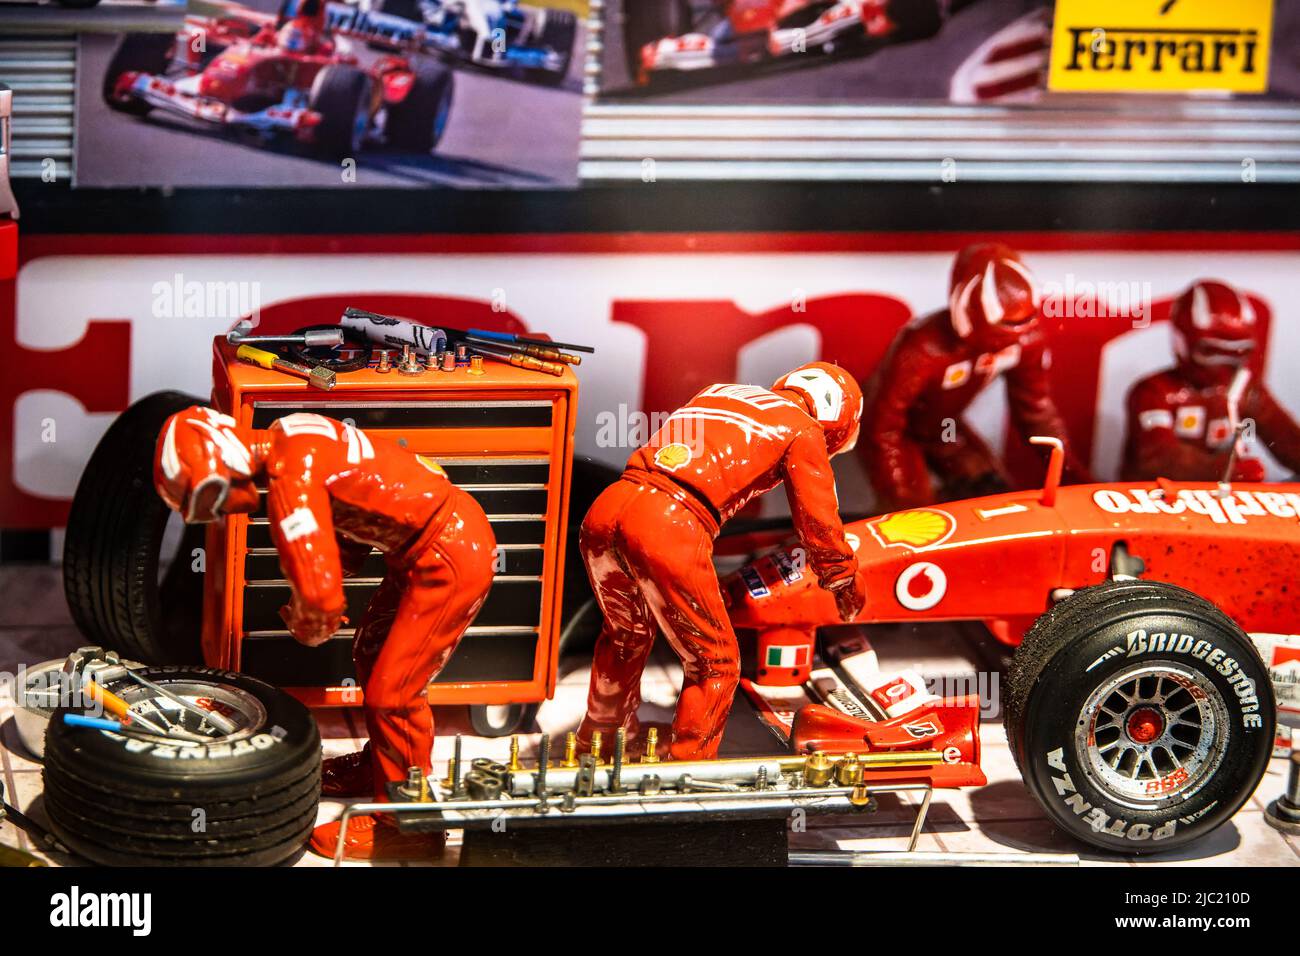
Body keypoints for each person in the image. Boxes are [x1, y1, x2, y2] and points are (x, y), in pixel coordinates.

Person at [153, 406, 496, 860]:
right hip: (430, 543)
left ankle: (409, 824)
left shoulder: (289, 474)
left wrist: (305, 620)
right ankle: (382, 767)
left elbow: (321, 598)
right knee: (373, 653)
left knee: (394, 693)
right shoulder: (292, 436)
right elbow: (358, 495)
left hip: (447, 553)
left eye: (209, 495)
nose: (218, 510)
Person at [576, 363, 868, 761]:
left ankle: (600, 743)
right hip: (668, 522)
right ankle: (687, 772)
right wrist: (846, 582)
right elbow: (819, 526)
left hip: (607, 507)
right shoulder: (802, 428)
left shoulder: (718, 391)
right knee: (716, 663)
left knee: (625, 636)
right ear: (838, 421)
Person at [863, 241, 1090, 513]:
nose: (1012, 343)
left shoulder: (1027, 341)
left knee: (995, 500)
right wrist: (899, 491)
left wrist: (1073, 479)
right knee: (911, 519)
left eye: (1023, 327)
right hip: (893, 434)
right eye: (1001, 336)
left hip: (944, 427)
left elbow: (1036, 412)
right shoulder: (922, 349)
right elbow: (882, 428)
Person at [1122, 279, 1300, 482]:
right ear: (1182, 342)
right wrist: (1224, 470)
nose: (1225, 366)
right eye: (1212, 352)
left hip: (1220, 502)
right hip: (1153, 503)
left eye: (1238, 353)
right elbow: (1157, 457)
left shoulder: (1244, 391)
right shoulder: (1154, 392)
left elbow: (1288, 441)